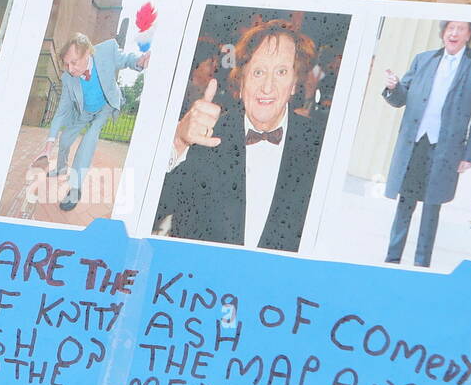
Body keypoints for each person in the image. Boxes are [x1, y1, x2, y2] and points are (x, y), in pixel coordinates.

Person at [160, 19, 321, 252]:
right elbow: (149, 212)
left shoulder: (319, 144)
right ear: (241, 78)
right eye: (258, 72)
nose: (268, 86)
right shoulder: (204, 136)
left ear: (295, 83)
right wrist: (178, 141)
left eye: (281, 72)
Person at [381, 20, 471, 268]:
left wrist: (470, 154)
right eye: (449, 28)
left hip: (446, 148)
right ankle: (391, 259)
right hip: (416, 143)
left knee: (432, 207)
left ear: (469, 34)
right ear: (443, 33)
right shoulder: (423, 60)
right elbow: (400, 99)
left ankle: (422, 265)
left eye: (460, 29)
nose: (453, 33)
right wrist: (393, 87)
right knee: (405, 202)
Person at [46, 32, 149, 212]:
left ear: (87, 53)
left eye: (74, 63)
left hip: (105, 107)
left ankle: (75, 188)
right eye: (67, 63)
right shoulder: (68, 77)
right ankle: (61, 169)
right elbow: (62, 110)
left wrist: (139, 61)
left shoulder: (106, 51)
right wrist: (50, 140)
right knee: (64, 141)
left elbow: (126, 59)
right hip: (84, 111)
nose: (70, 69)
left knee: (90, 137)